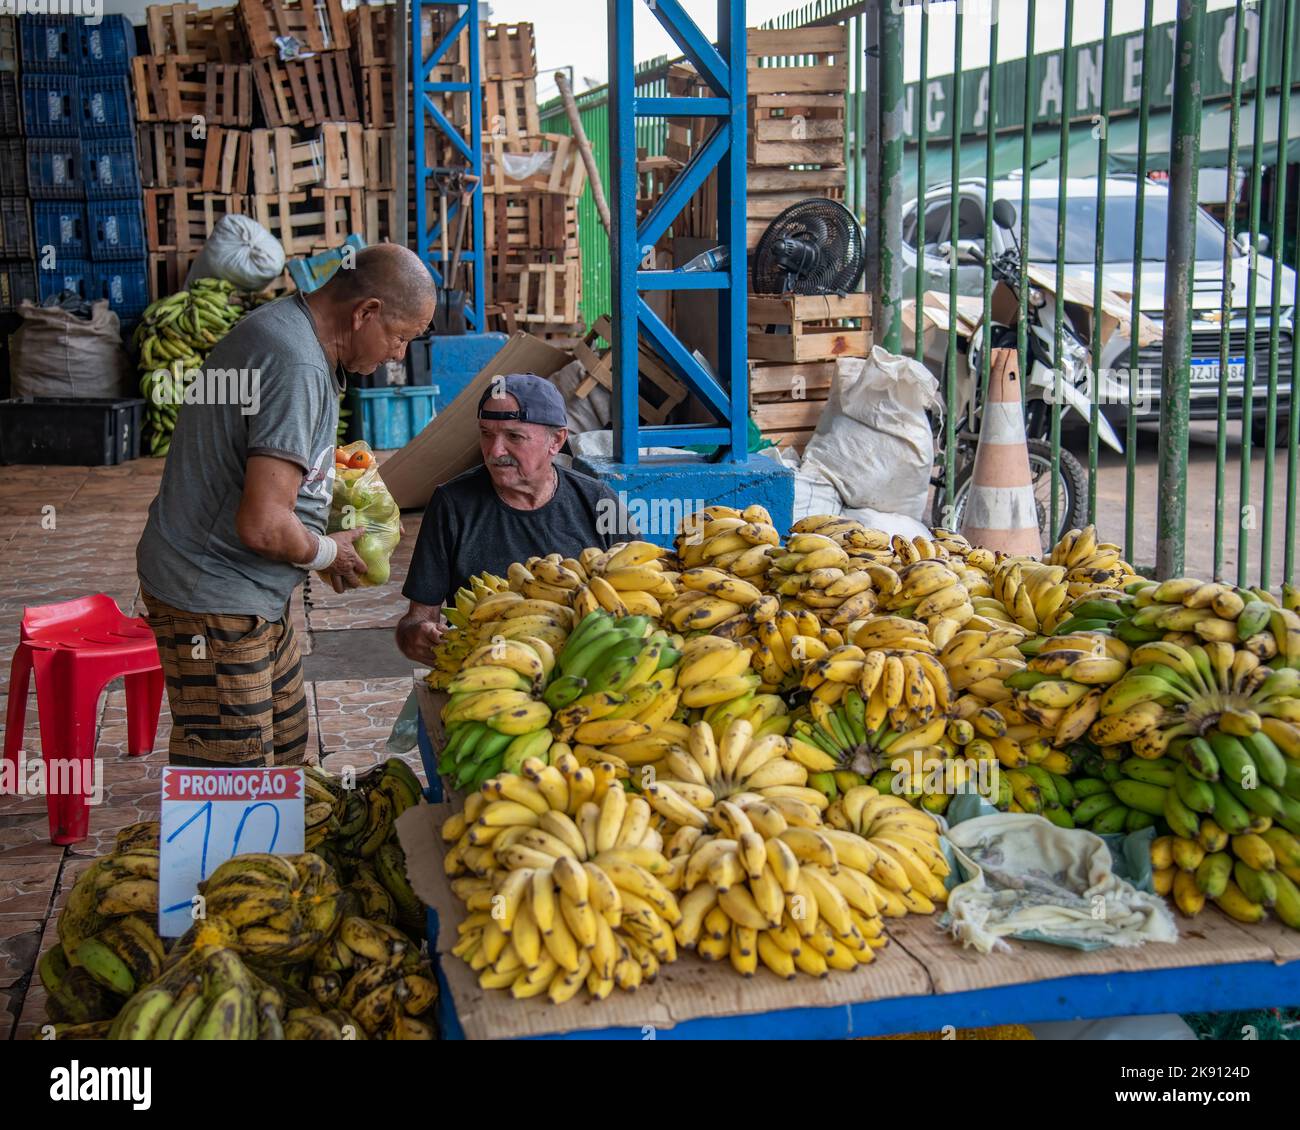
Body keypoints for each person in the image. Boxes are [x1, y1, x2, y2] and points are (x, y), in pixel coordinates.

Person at [136, 244, 437, 767]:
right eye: (401, 336)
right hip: (212, 595)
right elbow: (264, 524)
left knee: (288, 750)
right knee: (235, 770)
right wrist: (326, 553)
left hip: (247, 593)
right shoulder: (294, 362)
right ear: (365, 312)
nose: (398, 356)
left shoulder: (296, 334)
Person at [396, 374, 632, 665]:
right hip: (489, 673)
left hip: (584, 665)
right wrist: (416, 636)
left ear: (556, 440)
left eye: (514, 436)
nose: (495, 451)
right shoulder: (452, 505)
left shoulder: (598, 502)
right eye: (486, 433)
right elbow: (417, 619)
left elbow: (636, 598)